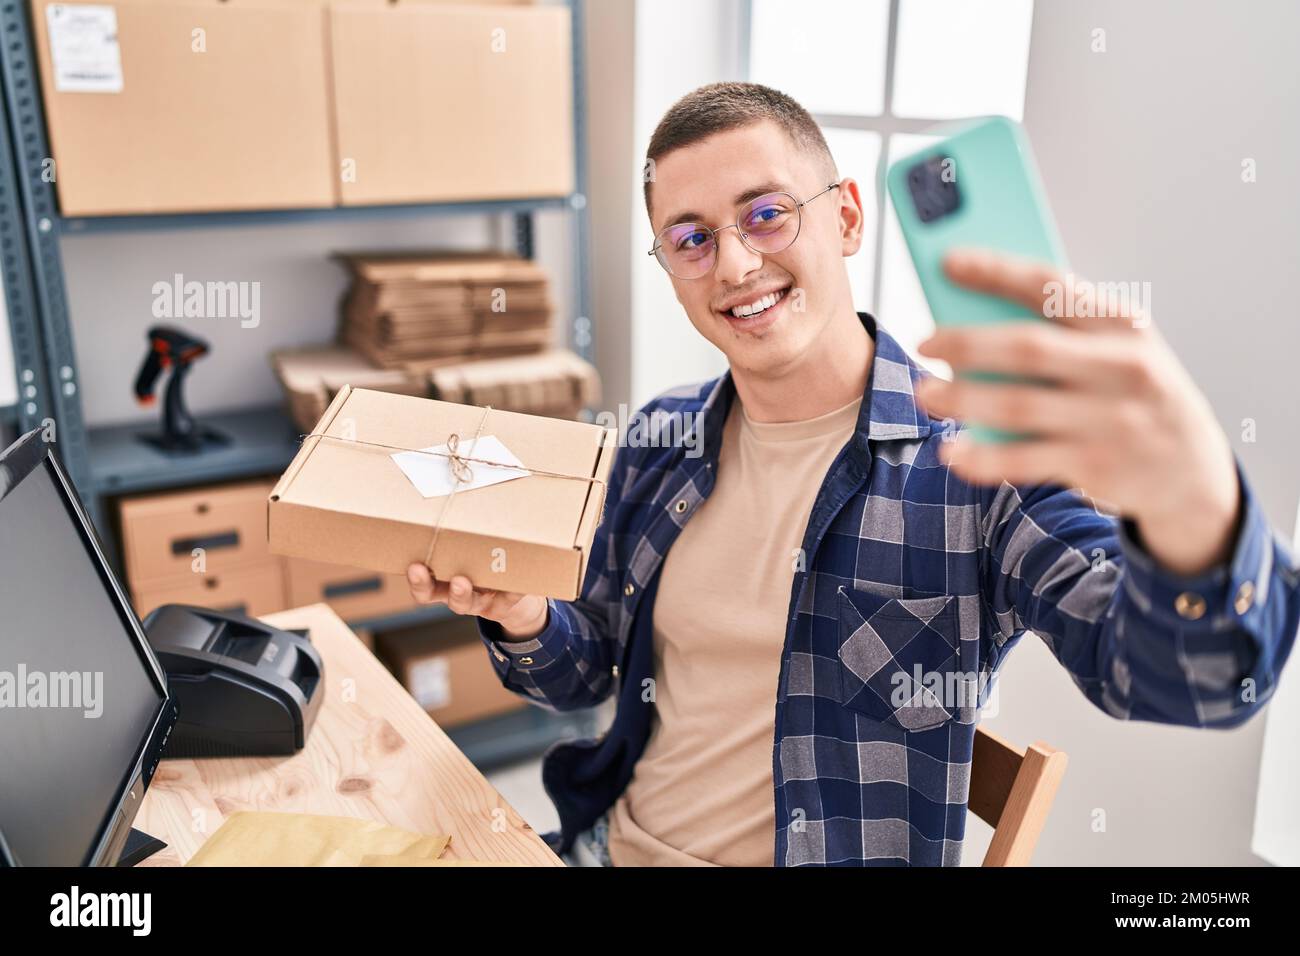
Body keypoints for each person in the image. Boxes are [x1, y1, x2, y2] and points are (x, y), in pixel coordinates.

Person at [406, 82, 1299, 867]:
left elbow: (1189, 680)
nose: (736, 264)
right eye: (690, 238)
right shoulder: (662, 435)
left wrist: (1196, 508)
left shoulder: (976, 459)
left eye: (766, 213)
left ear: (845, 217)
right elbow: (586, 672)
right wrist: (523, 617)